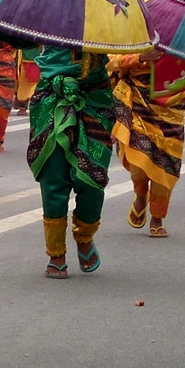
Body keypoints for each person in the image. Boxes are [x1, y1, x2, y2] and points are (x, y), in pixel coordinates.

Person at [29, 46, 112, 278]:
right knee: (53, 177)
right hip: (50, 95)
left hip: (95, 96)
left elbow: (123, 42)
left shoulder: (107, 11)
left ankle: (84, 236)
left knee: (92, 178)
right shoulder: (47, 9)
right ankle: (56, 254)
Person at [111, 46, 185, 238]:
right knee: (139, 161)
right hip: (137, 100)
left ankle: (158, 216)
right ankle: (141, 194)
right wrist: (140, 57)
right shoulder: (132, 26)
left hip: (170, 102)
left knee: (166, 162)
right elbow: (110, 60)